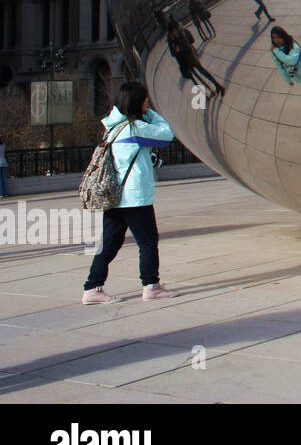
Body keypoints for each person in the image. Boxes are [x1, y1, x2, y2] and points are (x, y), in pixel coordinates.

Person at [82, 81, 178, 304]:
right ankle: (151, 285)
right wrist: (151, 113)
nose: (147, 103)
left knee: (109, 244)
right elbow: (166, 135)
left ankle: (92, 288)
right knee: (147, 241)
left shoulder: (113, 127)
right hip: (134, 197)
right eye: (144, 100)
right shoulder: (135, 128)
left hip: (114, 196)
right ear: (136, 102)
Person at [167, 23, 225, 98]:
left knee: (202, 71)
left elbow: (190, 42)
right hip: (184, 61)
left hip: (191, 57)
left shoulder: (182, 33)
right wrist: (174, 47)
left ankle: (218, 86)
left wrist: (179, 48)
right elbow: (172, 53)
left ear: (175, 30)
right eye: (171, 34)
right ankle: (208, 92)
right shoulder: (170, 39)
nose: (172, 35)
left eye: (172, 33)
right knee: (195, 78)